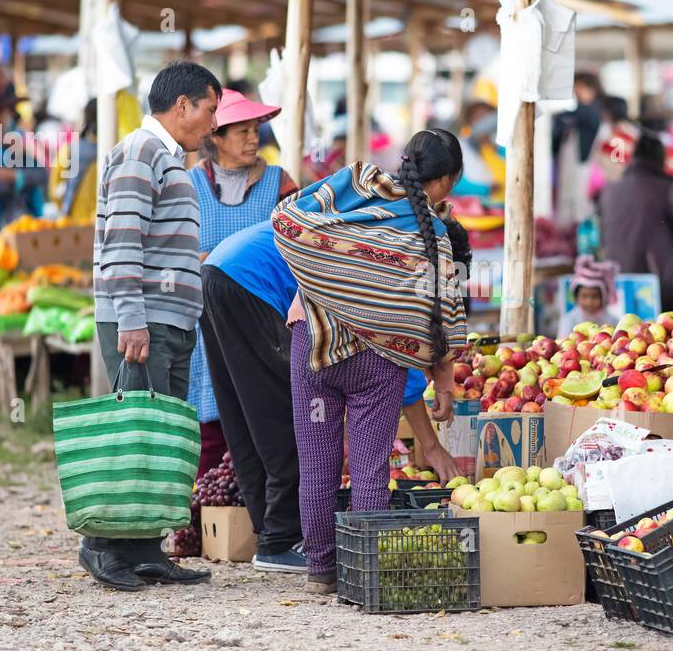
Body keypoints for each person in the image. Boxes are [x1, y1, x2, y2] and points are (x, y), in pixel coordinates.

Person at [201, 218, 468, 574]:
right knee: (286, 418)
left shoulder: (376, 223)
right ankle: (282, 540)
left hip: (218, 270)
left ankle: (270, 539)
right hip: (252, 280)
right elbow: (391, 363)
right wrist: (431, 447)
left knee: (245, 418)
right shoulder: (396, 260)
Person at [273, 128, 468, 594]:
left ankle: (319, 572)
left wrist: (332, 281)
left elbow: (286, 218)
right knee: (368, 468)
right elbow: (442, 323)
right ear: (447, 180)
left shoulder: (358, 184)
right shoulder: (435, 239)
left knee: (317, 464)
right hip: (377, 367)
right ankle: (366, 574)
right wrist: (443, 387)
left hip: (313, 345)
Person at [85, 60, 221, 592]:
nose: (214, 123)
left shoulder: (168, 161)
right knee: (133, 437)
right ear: (182, 105)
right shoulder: (141, 153)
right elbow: (122, 244)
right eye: (210, 110)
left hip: (172, 321)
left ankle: (146, 551)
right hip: (143, 322)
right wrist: (133, 320)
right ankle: (101, 549)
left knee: (161, 439)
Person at [187, 88, 295, 477]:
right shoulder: (188, 188)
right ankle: (210, 530)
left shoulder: (280, 184)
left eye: (256, 130)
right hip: (205, 328)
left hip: (266, 327)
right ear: (215, 137)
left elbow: (300, 249)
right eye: (242, 131)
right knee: (212, 433)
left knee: (264, 423)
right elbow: (170, 254)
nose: (254, 139)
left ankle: (261, 526)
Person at [600, 130, 673, 312]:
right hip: (662, 285)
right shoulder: (667, 189)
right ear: (661, 160)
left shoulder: (610, 191)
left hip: (617, 281)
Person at [0, 77, 49, 228]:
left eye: (3, 113)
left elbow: (42, 174)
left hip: (22, 221)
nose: (0, 119)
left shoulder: (22, 141)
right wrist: (19, 184)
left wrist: (14, 176)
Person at [558, 255, 619, 335]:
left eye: (595, 296)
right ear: (576, 297)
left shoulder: (612, 321)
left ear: (603, 297)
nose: (589, 302)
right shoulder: (569, 320)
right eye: (584, 296)